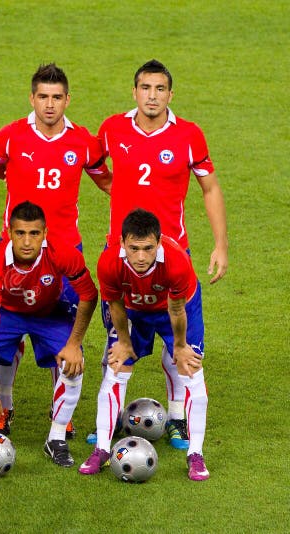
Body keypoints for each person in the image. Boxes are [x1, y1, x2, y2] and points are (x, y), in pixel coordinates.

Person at [0, 63, 110, 437]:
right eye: (43, 97)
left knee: (65, 337)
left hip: (64, 254)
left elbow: (109, 183)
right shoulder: (12, 136)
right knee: (9, 324)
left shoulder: (83, 142)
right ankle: (4, 403)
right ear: (32, 98)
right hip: (14, 252)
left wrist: (143, 208)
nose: (49, 104)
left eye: (56, 97)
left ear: (67, 100)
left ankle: (61, 412)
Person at [88, 59, 228, 446]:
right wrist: (116, 187)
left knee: (177, 343)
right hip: (122, 254)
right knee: (117, 340)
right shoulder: (112, 128)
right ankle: (109, 421)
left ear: (170, 94)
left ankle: (178, 417)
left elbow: (210, 188)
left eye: (160, 89)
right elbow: (94, 165)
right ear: (134, 92)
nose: (152, 96)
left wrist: (221, 244)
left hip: (171, 256)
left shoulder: (189, 135)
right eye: (146, 88)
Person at [79, 208, 210, 481]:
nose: (140, 257)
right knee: (116, 367)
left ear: (159, 242)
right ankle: (102, 449)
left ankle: (195, 455)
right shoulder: (109, 263)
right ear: (122, 242)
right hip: (132, 309)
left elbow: (177, 311)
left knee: (191, 371)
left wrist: (180, 346)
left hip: (176, 309)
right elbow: (115, 305)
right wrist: (124, 342)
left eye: (148, 248)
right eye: (134, 248)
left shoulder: (177, 262)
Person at [0, 201, 98, 468]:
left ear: (45, 234)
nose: (27, 242)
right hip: (9, 313)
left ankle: (56, 438)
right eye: (20, 233)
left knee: (74, 364)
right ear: (9, 232)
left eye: (34, 233)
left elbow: (89, 294)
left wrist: (74, 343)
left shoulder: (62, 253)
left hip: (49, 312)